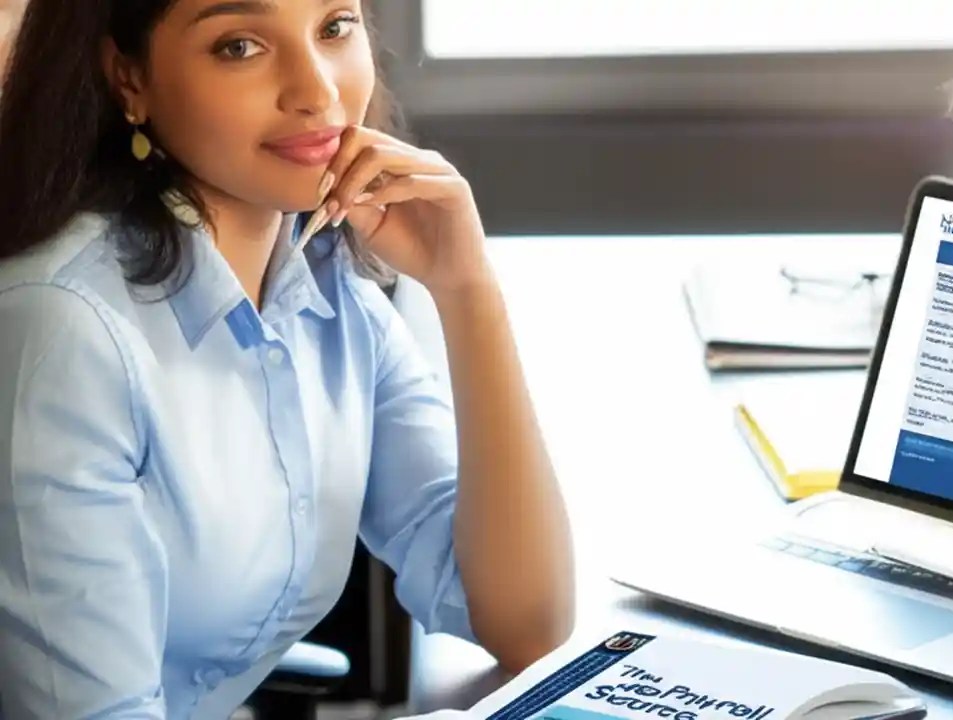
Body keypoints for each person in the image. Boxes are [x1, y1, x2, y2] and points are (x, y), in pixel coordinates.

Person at [0, 1, 575, 718]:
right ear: (129, 79)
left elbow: (526, 622)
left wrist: (466, 289)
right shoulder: (66, 333)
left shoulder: (324, 278)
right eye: (240, 45)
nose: (317, 89)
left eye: (335, 27)